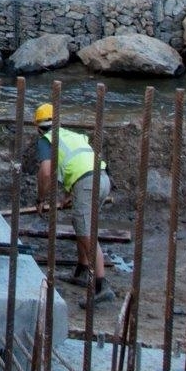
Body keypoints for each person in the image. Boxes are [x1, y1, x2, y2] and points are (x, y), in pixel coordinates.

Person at [34, 102, 115, 308]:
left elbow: (46, 172)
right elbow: (77, 161)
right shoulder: (72, 135)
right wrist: (70, 193)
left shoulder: (46, 140)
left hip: (87, 183)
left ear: (37, 127)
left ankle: (101, 285)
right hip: (102, 179)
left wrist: (41, 198)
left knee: (87, 232)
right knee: (83, 225)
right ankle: (82, 268)